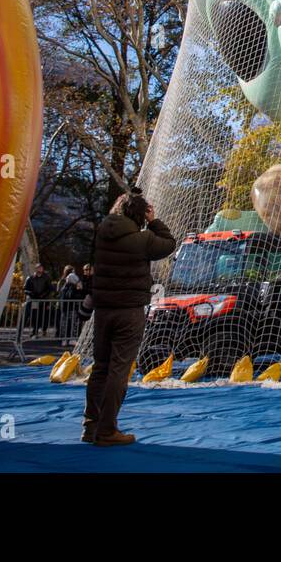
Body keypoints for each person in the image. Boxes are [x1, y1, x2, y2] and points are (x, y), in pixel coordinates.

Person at [83, 186, 176, 447]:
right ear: (140, 215)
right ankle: (107, 429)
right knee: (118, 370)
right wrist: (153, 220)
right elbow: (169, 244)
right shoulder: (143, 239)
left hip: (103, 311)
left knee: (100, 367)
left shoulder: (101, 234)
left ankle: (90, 425)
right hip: (129, 310)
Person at [22, 264, 52, 337]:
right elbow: (25, 289)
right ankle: (20, 331)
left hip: (42, 300)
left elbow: (49, 289)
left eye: (41, 268)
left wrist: (43, 296)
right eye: (38, 268)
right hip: (32, 300)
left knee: (40, 316)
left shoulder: (46, 278)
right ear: (36, 269)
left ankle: (35, 332)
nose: (40, 270)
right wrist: (31, 294)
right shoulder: (30, 278)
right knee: (29, 315)